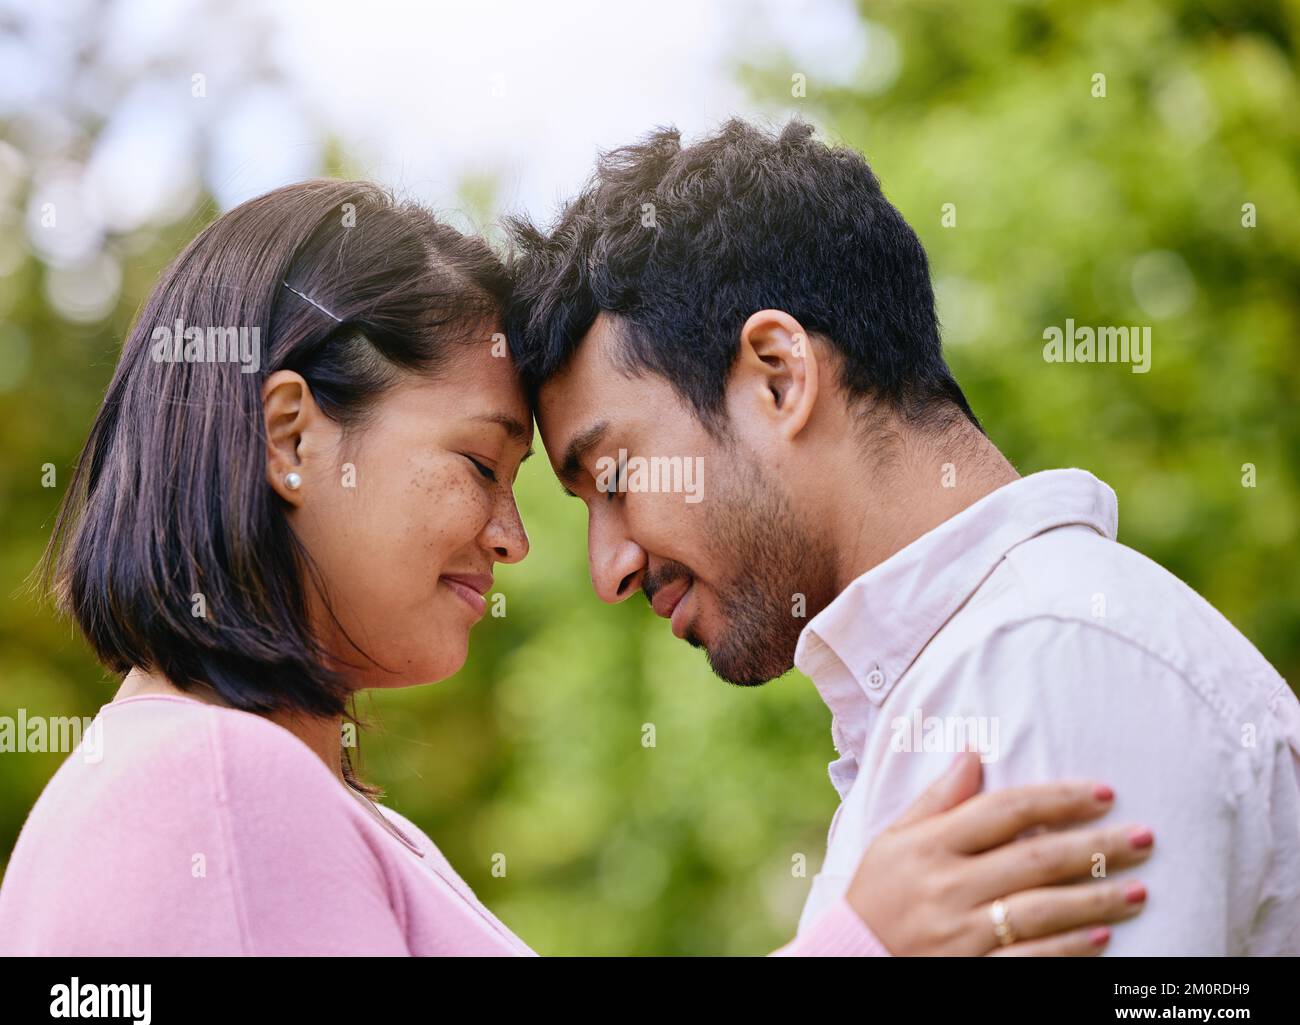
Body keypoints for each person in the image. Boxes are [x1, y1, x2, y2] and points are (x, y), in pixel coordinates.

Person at [0, 179, 1151, 956]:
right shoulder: (204, 784)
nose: (516, 540)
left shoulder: (274, 788)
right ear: (293, 439)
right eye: (478, 464)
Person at [504, 118, 1300, 955]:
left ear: (779, 377)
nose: (609, 568)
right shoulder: (955, 691)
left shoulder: (1040, 669)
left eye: (617, 478)